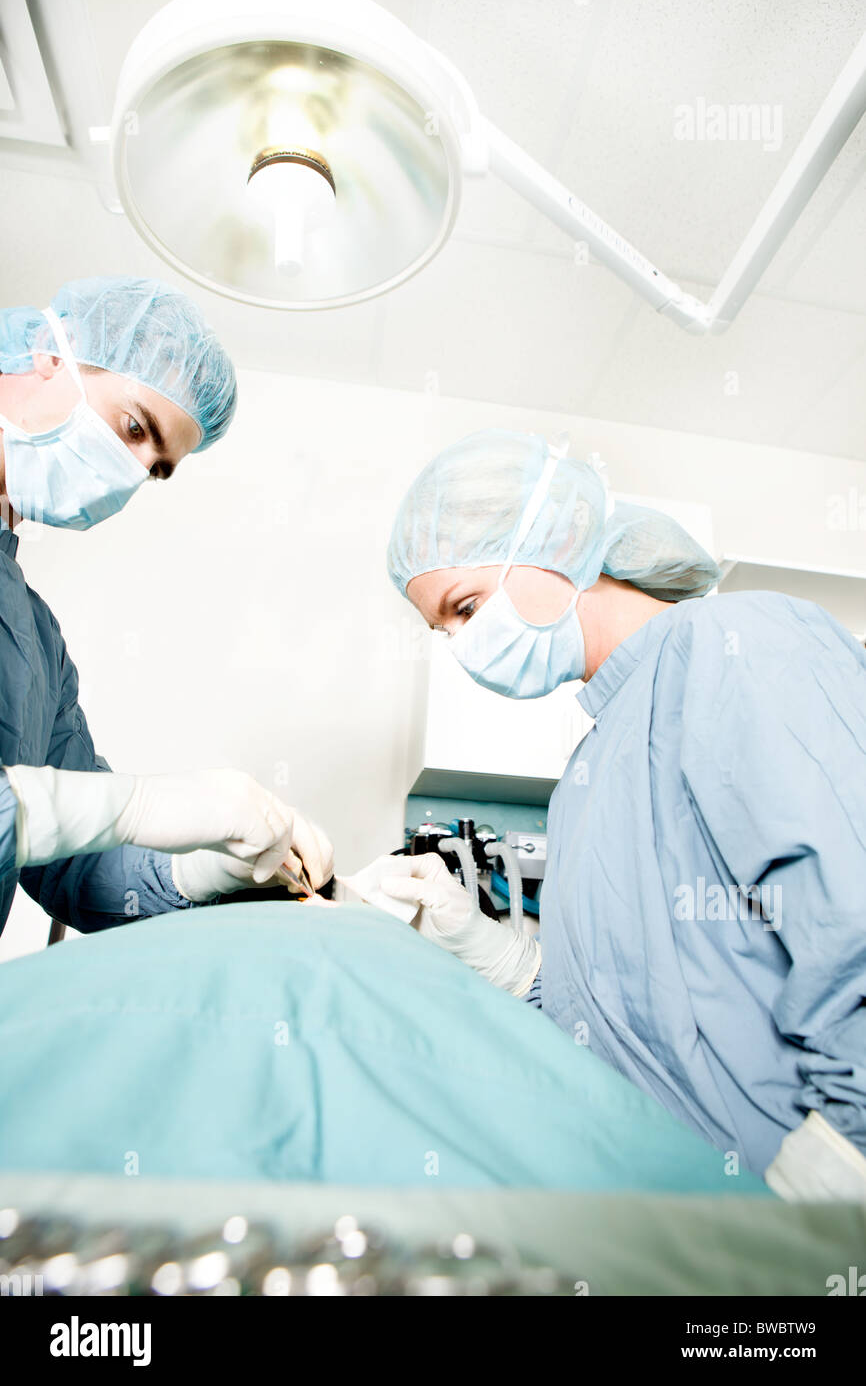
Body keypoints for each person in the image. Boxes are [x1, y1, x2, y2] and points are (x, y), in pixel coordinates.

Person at [377, 427, 866, 1200]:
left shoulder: (742, 645)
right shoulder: (585, 777)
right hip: (695, 1231)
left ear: (560, 540)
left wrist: (839, 1168)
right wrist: (497, 956)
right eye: (444, 630)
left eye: (465, 607)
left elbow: (855, 912)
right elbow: (618, 1021)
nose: (461, 646)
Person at [0, 276, 332, 939]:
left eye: (156, 467)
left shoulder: (34, 638)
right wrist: (139, 803)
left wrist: (199, 878)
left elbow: (75, 869)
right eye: (132, 427)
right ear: (48, 356)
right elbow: (84, 813)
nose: (132, 472)